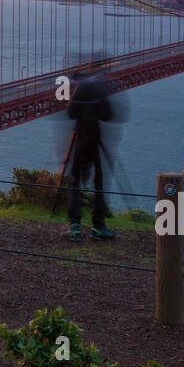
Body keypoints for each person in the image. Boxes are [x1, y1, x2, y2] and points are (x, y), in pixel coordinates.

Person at [62, 64, 115, 241]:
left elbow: (70, 113)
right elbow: (109, 115)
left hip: (80, 140)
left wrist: (82, 112)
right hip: (96, 140)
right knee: (99, 183)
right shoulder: (102, 87)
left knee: (75, 181)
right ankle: (99, 227)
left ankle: (74, 226)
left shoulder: (81, 87)